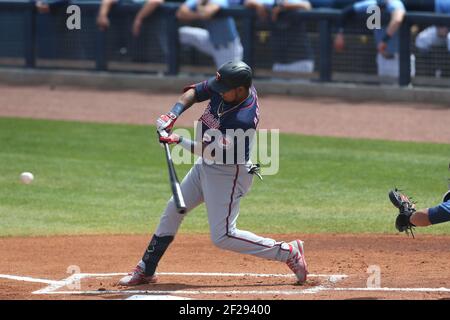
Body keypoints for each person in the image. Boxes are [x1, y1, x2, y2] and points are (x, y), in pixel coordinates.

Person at [118, 61, 308, 286]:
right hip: (206, 163)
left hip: (229, 171)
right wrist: (172, 115)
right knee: (173, 210)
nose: (217, 92)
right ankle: (146, 269)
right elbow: (194, 93)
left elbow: (212, 151)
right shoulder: (229, 85)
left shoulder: (243, 119)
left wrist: (178, 139)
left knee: (223, 236)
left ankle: (288, 252)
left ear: (240, 90)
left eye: (223, 90)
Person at [334, 0, 415, 78]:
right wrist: (339, 34)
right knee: (384, 90)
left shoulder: (395, 3)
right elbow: (346, 12)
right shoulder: (372, 4)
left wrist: (384, 40)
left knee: (404, 90)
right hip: (382, 58)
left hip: (400, 58)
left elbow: (397, 19)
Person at [245, 0, 315, 73]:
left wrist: (283, 7)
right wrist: (258, 6)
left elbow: (307, 6)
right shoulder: (270, 2)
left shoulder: (293, 2)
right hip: (280, 62)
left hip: (300, 61)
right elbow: (248, 2)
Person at [176, 0, 244, 68]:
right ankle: (171, 61)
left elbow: (206, 14)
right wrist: (198, 12)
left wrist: (197, 7)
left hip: (228, 47)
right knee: (182, 33)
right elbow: (180, 13)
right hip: (211, 39)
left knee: (227, 76)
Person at [415, 0, 450, 77]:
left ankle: (447, 72)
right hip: (440, 30)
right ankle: (430, 70)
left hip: (447, 31)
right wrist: (440, 28)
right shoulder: (440, 3)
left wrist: (447, 28)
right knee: (421, 39)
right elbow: (438, 18)